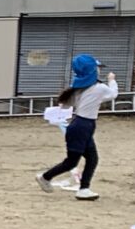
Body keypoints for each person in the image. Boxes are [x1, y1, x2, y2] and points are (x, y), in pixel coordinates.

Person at [39, 54, 119, 201]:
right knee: (72, 162)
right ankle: (46, 177)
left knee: (92, 159)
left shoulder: (78, 89)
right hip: (83, 126)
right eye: (97, 68)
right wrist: (112, 80)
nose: (99, 71)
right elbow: (113, 94)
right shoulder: (99, 87)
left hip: (81, 125)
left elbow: (66, 105)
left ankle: (84, 188)